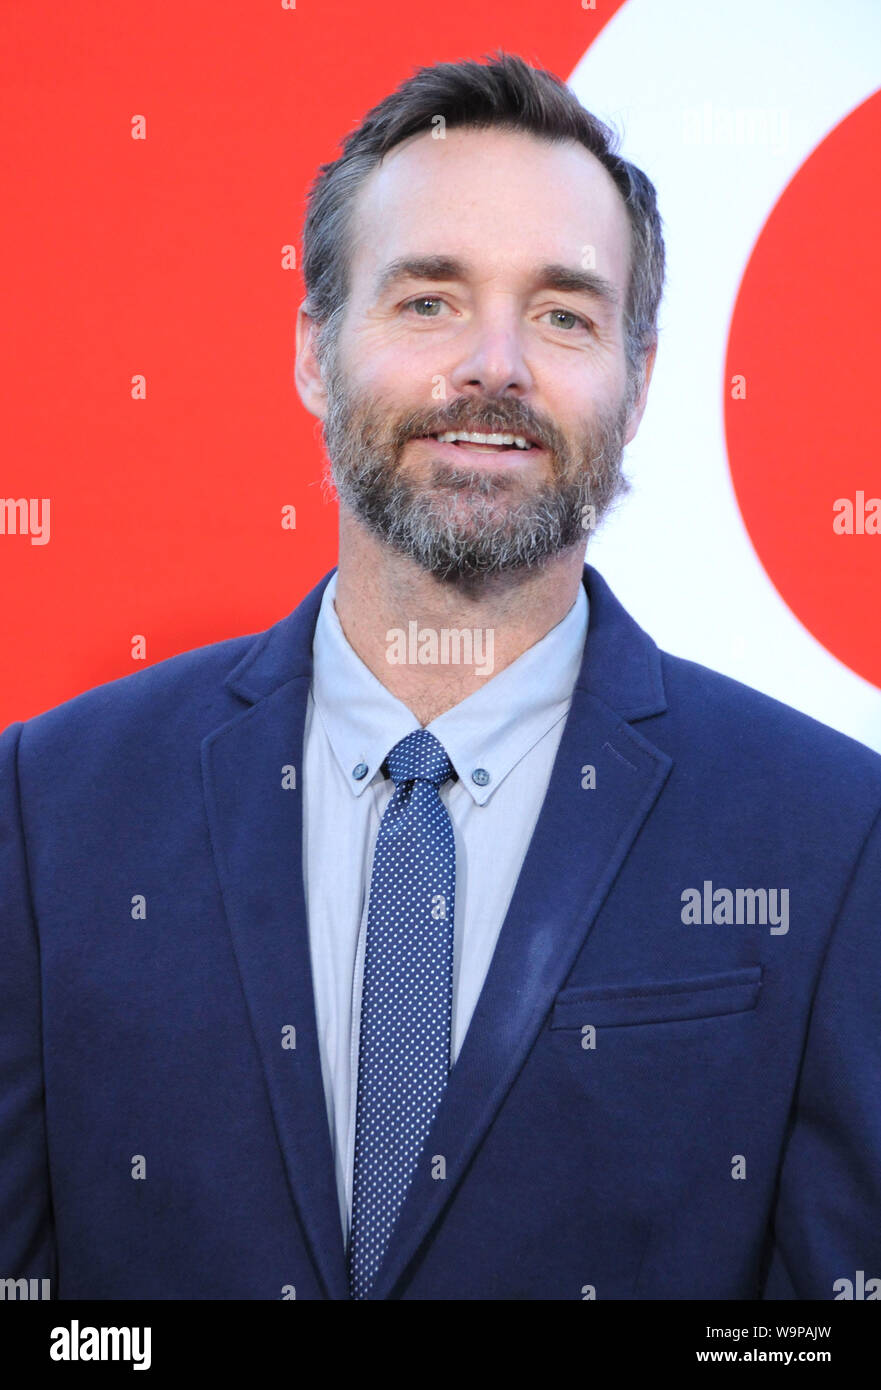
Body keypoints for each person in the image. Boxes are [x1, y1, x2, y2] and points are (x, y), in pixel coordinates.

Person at [1, 52, 879, 1302]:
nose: (494, 367)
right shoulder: (50, 811)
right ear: (315, 350)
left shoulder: (830, 837)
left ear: (634, 386)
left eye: (564, 314)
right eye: (428, 301)